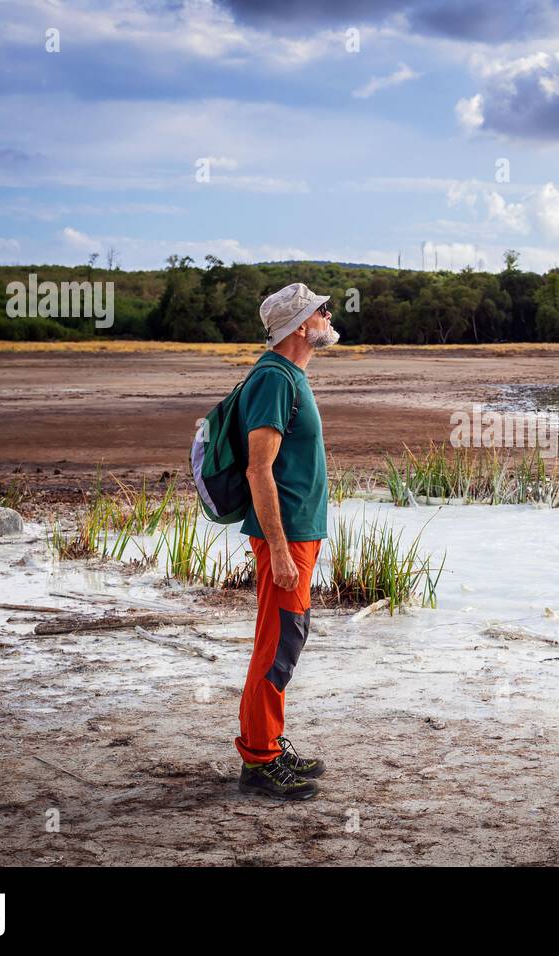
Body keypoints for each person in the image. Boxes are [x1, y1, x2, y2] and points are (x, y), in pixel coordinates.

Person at [234, 282, 340, 801]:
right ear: (301, 325)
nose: (329, 315)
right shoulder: (275, 379)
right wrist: (278, 549)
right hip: (286, 537)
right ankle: (258, 762)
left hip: (299, 533)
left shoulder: (290, 375)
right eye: (322, 311)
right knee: (278, 644)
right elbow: (259, 469)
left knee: (283, 637)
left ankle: (269, 744)